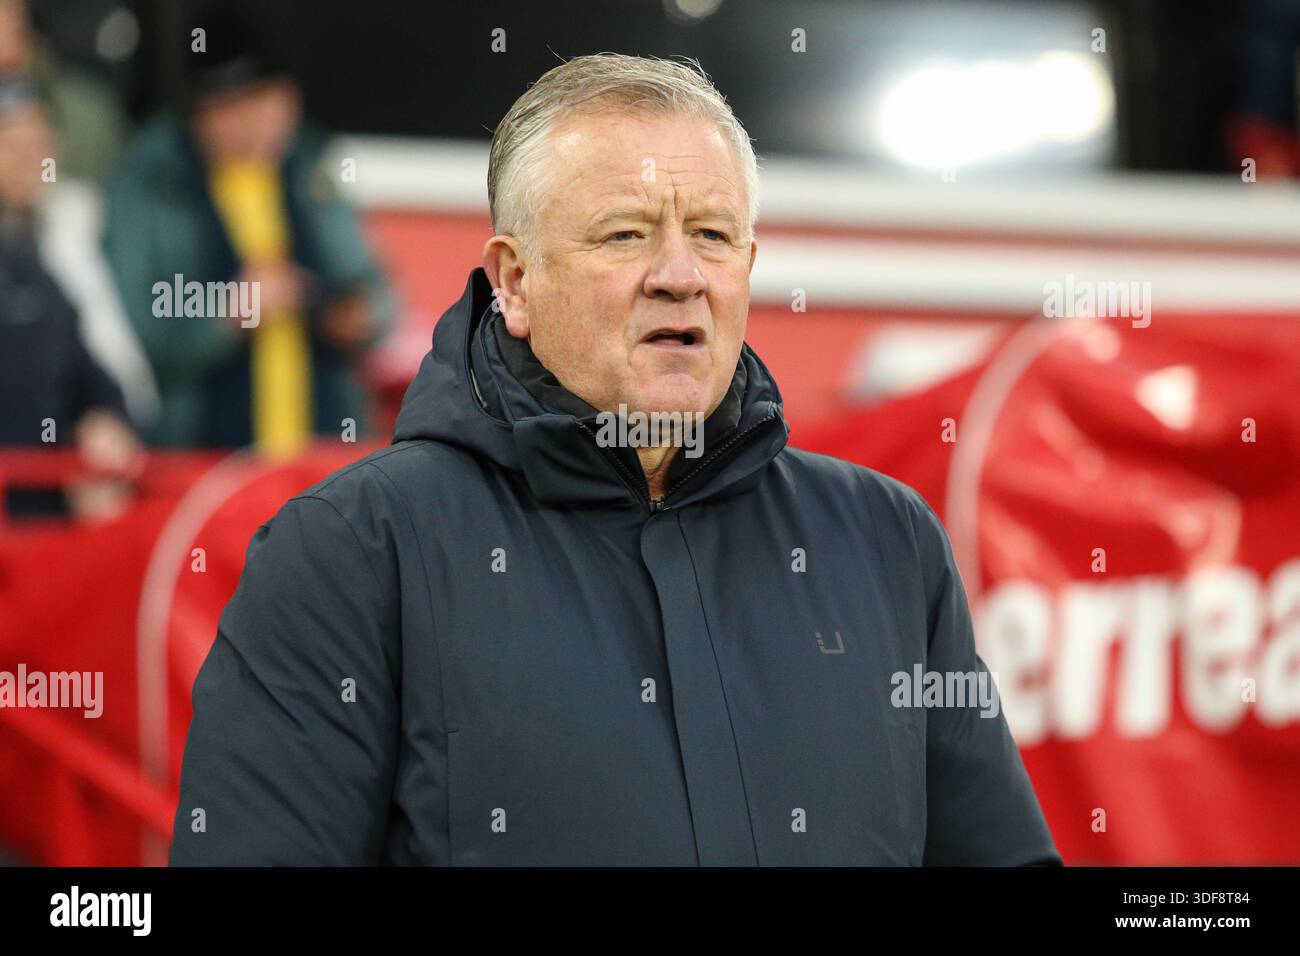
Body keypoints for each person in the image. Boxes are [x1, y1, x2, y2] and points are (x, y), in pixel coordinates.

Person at [170, 53, 1061, 865]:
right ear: (514, 282)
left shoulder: (888, 542)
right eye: (626, 234)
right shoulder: (350, 553)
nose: (680, 274)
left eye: (712, 235)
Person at [102, 8, 396, 453]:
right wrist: (231, 312)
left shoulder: (312, 165)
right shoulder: (149, 184)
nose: (252, 122)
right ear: (196, 114)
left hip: (321, 459)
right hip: (200, 462)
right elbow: (138, 333)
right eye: (230, 107)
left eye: (264, 100)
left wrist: (359, 316)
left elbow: (374, 287)